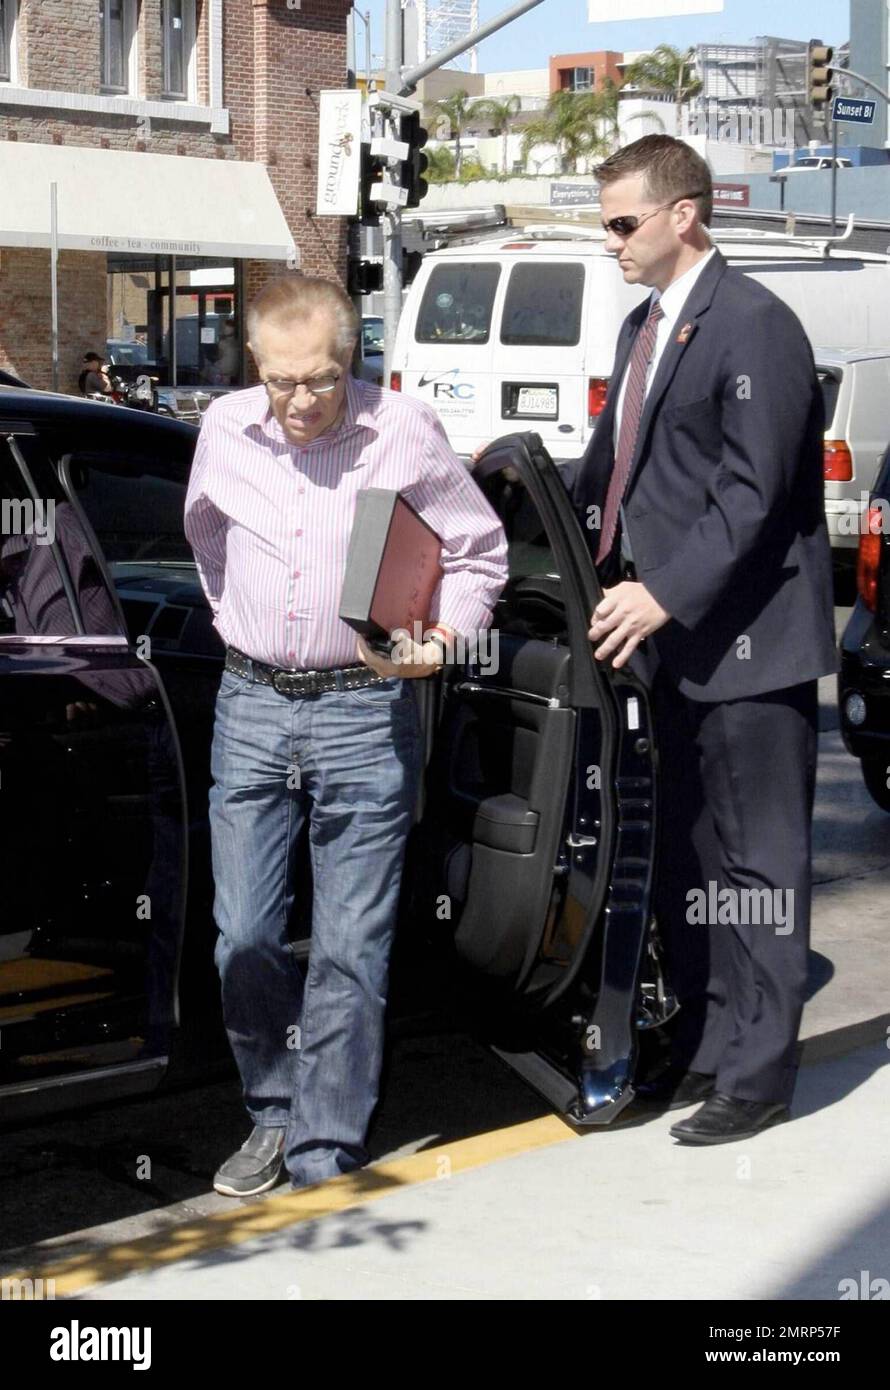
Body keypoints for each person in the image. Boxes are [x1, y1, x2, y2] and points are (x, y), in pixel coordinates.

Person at [184, 274, 508, 1196]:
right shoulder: (223, 432)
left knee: (348, 947)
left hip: (365, 711)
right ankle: (273, 1110)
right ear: (255, 366)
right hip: (248, 705)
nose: (302, 401)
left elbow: (479, 552)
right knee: (240, 935)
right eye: (283, 381)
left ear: (352, 359)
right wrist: (249, 624)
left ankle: (323, 1145)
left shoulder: (400, 430)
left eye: (322, 378)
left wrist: (438, 641)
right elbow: (207, 542)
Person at [572, 135, 837, 1145]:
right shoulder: (645, 327)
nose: (610, 242)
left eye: (621, 222)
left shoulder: (754, 327)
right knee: (692, 859)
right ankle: (709, 1043)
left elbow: (751, 495)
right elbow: (614, 468)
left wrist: (659, 596)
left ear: (682, 213)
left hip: (746, 648)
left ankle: (760, 1074)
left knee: (758, 867)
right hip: (670, 654)